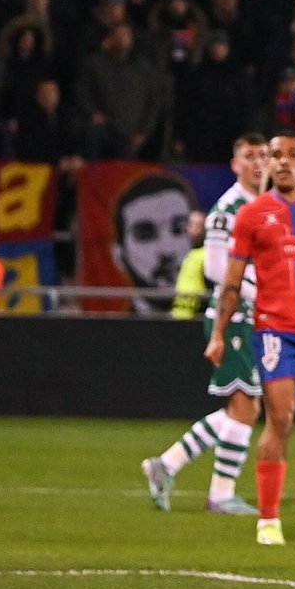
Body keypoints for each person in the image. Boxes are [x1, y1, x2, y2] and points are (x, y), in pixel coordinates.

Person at [205, 131, 295, 546]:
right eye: (274, 156)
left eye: (291, 155)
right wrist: (218, 334)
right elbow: (231, 283)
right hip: (274, 331)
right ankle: (268, 519)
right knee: (280, 418)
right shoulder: (251, 215)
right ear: (266, 164)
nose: (282, 162)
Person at [142, 134, 268, 514]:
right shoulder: (227, 210)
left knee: (245, 407)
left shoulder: (261, 205)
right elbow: (215, 269)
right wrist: (260, 292)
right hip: (233, 317)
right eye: (249, 156)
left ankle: (168, 465)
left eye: (263, 155)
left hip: (252, 317)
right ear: (235, 164)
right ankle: (219, 492)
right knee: (246, 406)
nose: (258, 163)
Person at [112, 171, 196, 313]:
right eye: (145, 234)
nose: (167, 250)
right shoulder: (113, 333)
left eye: (179, 229)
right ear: (119, 254)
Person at [170, 210, 207, 320]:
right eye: (191, 224)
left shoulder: (207, 254)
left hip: (196, 317)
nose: (194, 229)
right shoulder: (189, 254)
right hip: (179, 314)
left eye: (198, 225)